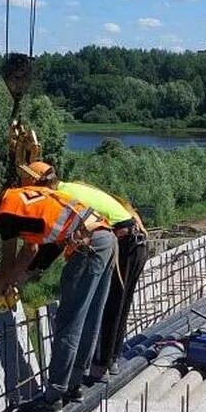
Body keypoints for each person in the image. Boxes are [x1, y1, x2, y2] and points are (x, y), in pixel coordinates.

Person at [0, 174, 117, 412]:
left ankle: (53, 396)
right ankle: (73, 386)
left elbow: (9, 260)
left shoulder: (6, 217)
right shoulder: (20, 197)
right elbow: (33, 249)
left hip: (88, 247)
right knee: (90, 317)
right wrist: (17, 279)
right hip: (106, 237)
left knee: (69, 321)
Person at [21, 161, 150, 375]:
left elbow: (55, 241)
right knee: (118, 303)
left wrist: (34, 268)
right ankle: (108, 361)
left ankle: (102, 365)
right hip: (136, 242)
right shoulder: (71, 188)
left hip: (125, 242)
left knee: (109, 304)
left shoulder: (62, 198)